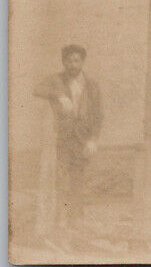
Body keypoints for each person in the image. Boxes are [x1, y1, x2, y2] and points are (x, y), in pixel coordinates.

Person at [34, 45, 103, 227]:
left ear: (82, 62)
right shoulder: (57, 80)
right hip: (63, 139)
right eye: (69, 61)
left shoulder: (92, 85)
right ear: (64, 62)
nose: (73, 65)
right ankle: (59, 221)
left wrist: (93, 139)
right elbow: (37, 89)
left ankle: (75, 221)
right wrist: (58, 95)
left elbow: (98, 114)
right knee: (61, 180)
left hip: (83, 140)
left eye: (76, 60)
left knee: (78, 181)